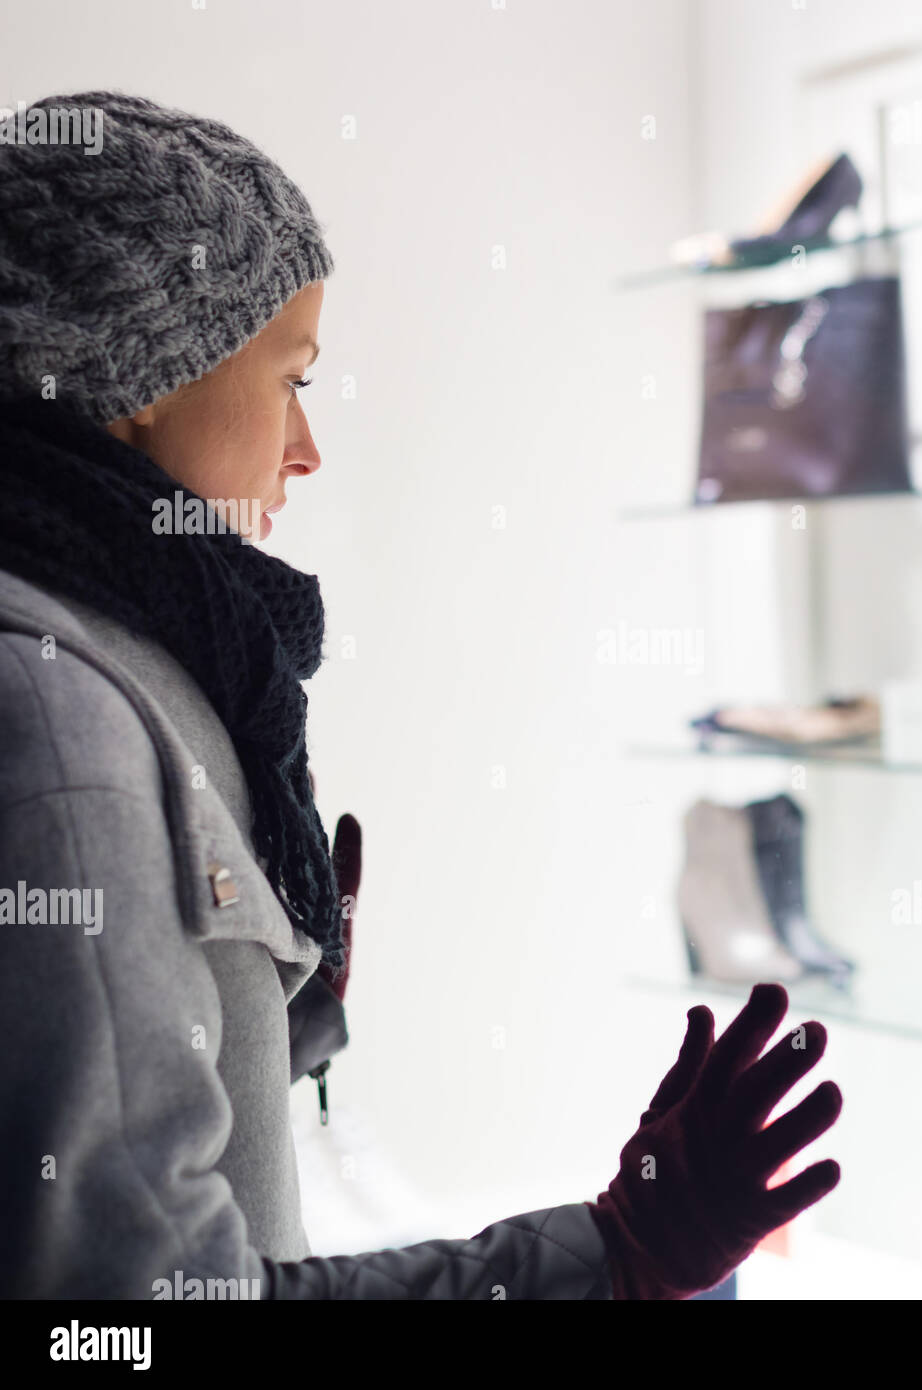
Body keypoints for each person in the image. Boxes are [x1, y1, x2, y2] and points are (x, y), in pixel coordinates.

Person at [0, 90, 842, 1299]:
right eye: (292, 377)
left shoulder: (113, 654)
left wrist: (268, 1023)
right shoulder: (61, 716)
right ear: (141, 372)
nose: (306, 447)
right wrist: (615, 1257)